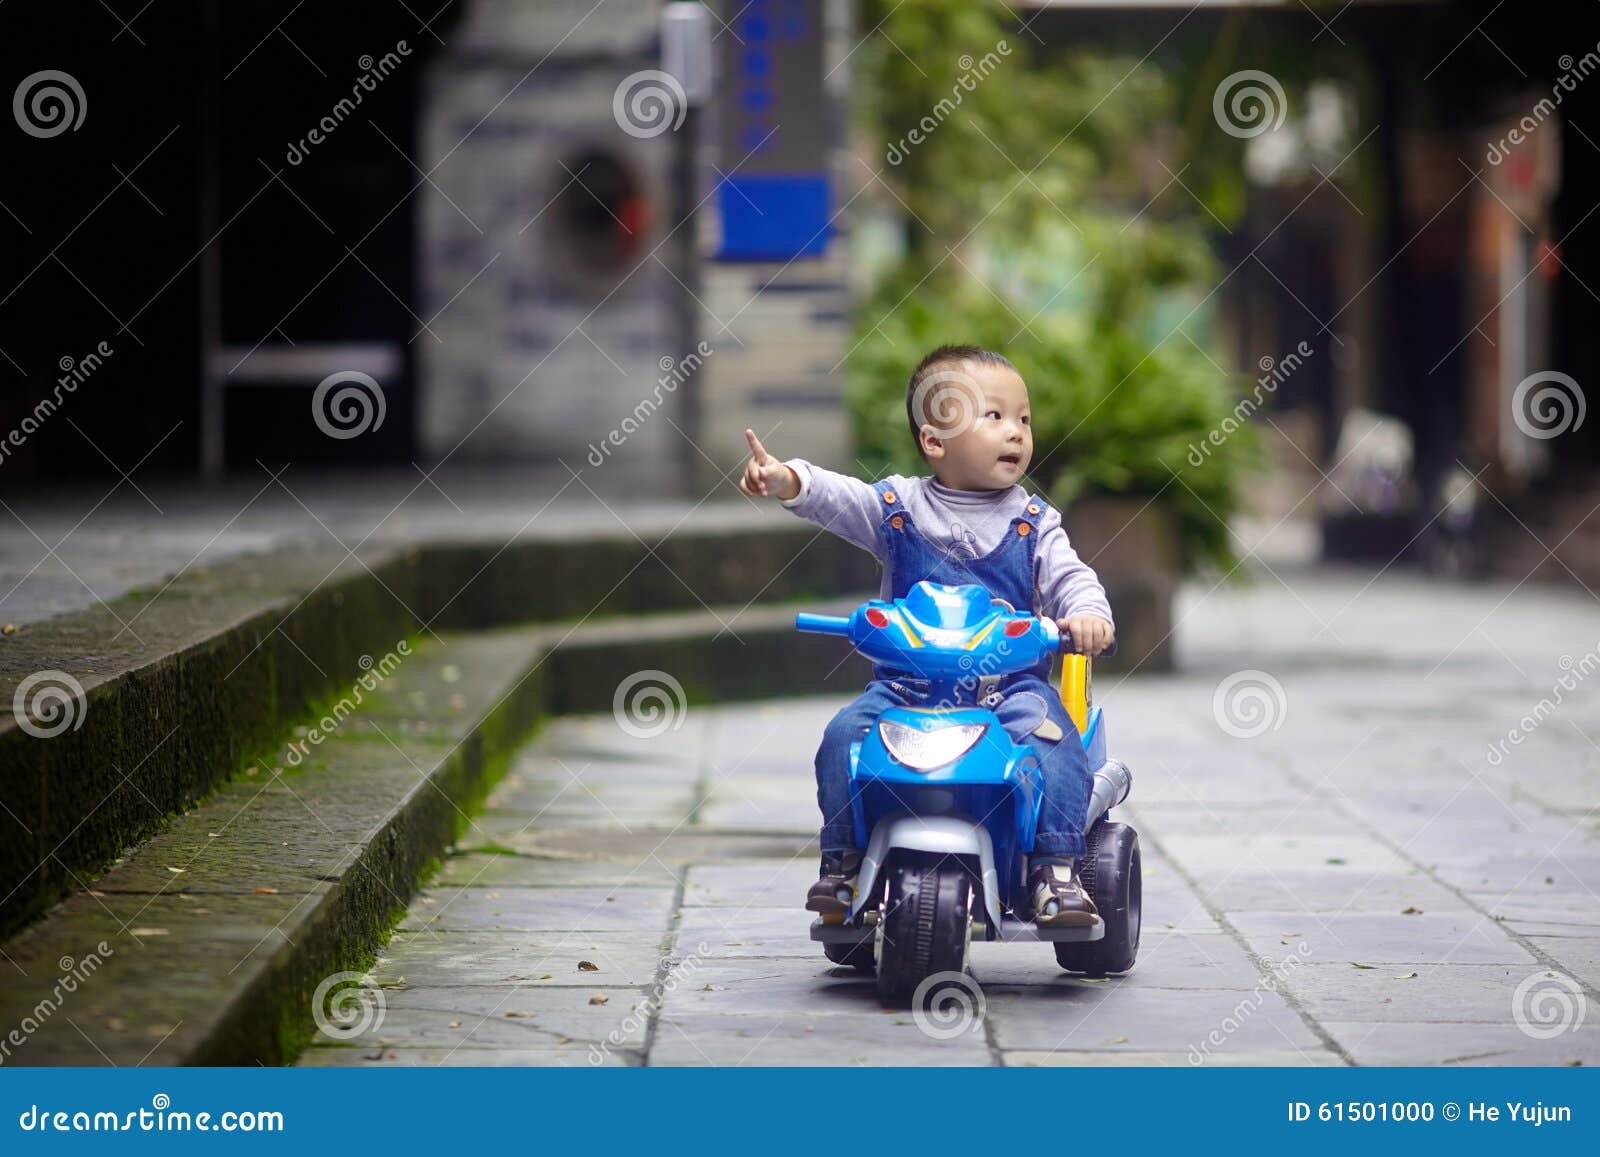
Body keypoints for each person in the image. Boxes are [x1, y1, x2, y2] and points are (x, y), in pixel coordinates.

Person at [739, 343, 1116, 926]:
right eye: (994, 416)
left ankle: (1054, 868)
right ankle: (842, 861)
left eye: (1023, 418)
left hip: (1007, 689)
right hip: (906, 691)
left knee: (1055, 741)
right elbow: (839, 497)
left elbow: (1073, 579)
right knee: (841, 737)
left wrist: (1088, 615)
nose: (1015, 432)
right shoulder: (898, 509)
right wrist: (788, 479)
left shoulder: (1035, 525)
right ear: (934, 442)